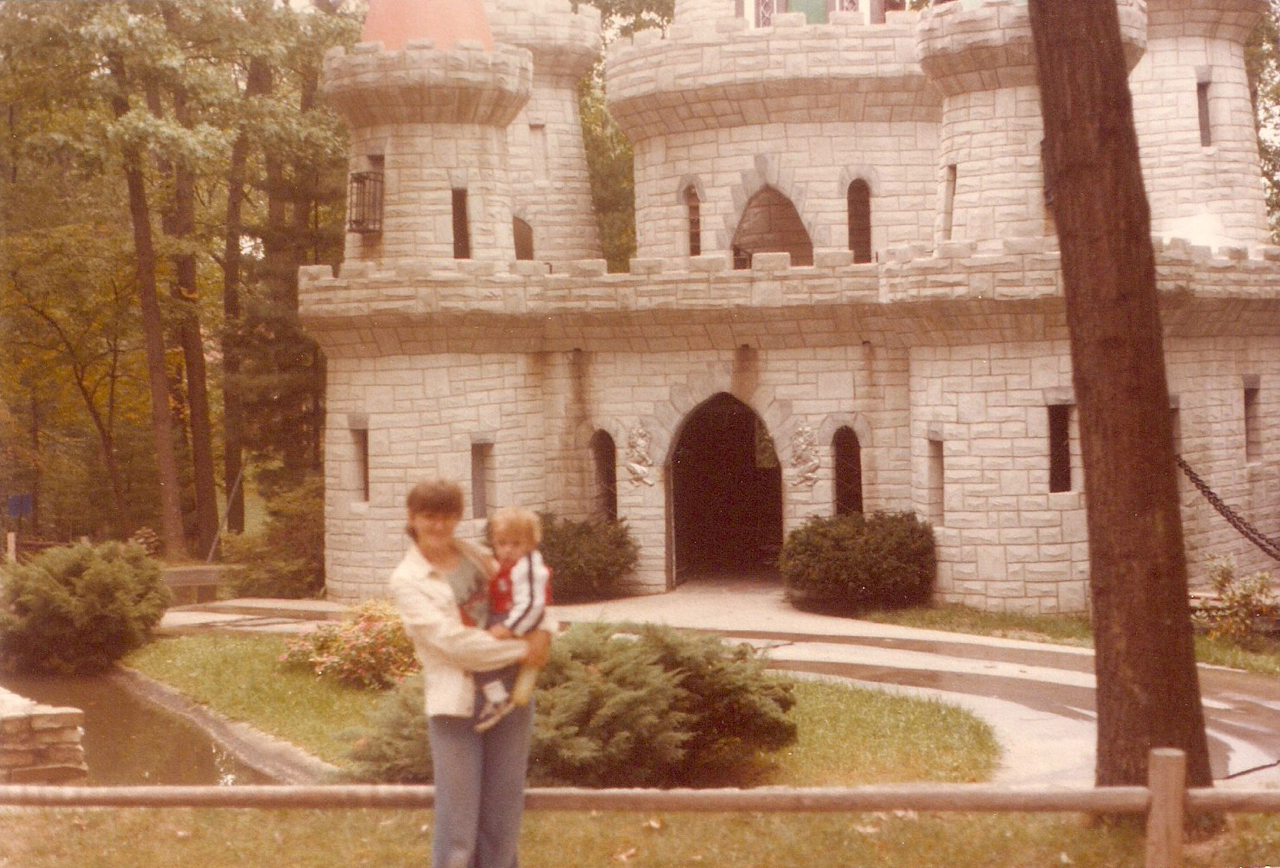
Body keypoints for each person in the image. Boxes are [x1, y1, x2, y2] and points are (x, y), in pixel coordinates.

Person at [389, 479, 553, 868]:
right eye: (429, 516)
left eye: (448, 516)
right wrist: (524, 648)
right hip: (456, 703)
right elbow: (455, 645)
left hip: (510, 693)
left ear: (458, 517)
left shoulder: (479, 556)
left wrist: (546, 630)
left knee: (503, 812)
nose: (439, 526)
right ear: (412, 518)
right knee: (458, 819)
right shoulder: (407, 580)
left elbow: (532, 592)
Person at [474, 507, 552, 733]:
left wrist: (509, 629)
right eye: (501, 543)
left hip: (517, 620)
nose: (507, 550)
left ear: (531, 543)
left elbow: (533, 605)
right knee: (481, 655)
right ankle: (496, 696)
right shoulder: (506, 565)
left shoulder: (527, 567)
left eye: (515, 544)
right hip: (506, 617)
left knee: (483, 651)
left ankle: (497, 698)